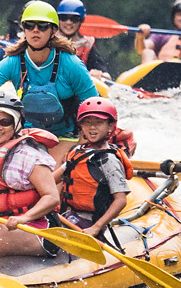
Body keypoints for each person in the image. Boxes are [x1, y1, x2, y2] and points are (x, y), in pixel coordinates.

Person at [0, 0, 101, 141]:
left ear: (53, 31)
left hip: (68, 135)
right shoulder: (12, 62)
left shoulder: (71, 64)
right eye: (29, 25)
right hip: (29, 134)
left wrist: (86, 140)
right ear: (24, 29)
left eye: (42, 26)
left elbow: (93, 104)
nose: (35, 30)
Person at [0, 94, 61, 258]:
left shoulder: (30, 155)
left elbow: (52, 197)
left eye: (5, 122)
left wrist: (25, 218)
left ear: (16, 123)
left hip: (37, 229)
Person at [55, 99, 131, 236]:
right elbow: (51, 179)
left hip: (90, 222)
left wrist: (96, 227)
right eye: (87, 122)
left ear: (110, 126)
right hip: (69, 216)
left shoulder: (108, 160)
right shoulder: (77, 152)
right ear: (81, 126)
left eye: (98, 122)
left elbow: (121, 200)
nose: (92, 127)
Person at [56, 0, 107, 74]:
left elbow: (106, 75)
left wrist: (98, 73)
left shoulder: (87, 45)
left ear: (81, 20)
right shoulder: (49, 41)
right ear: (58, 19)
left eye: (74, 19)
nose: (69, 22)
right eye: (64, 18)